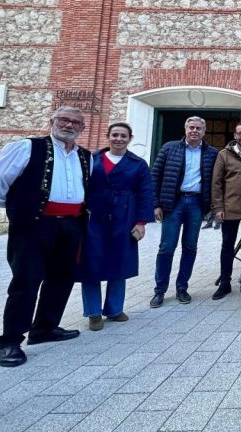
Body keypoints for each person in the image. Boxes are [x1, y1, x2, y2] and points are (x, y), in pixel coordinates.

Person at [0, 106, 91, 367]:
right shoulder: (26, 147)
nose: (69, 125)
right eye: (64, 120)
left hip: (71, 225)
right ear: (52, 121)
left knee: (61, 278)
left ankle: (44, 328)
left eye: (75, 122)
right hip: (35, 225)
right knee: (26, 281)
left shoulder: (85, 156)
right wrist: (21, 212)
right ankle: (11, 341)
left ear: (82, 128)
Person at [79, 122, 154, 331]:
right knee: (91, 264)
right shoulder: (91, 160)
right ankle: (93, 313)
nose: (119, 139)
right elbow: (80, 186)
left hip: (125, 218)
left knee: (119, 263)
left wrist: (141, 222)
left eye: (123, 136)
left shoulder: (138, 164)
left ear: (129, 138)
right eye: (115, 135)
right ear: (108, 136)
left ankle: (114, 309)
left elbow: (146, 194)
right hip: (94, 218)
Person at [149, 116, 218, 308]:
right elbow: (155, 177)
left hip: (196, 203)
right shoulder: (169, 148)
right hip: (174, 203)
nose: (194, 130)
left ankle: (182, 288)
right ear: (185, 129)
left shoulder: (212, 153)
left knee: (190, 247)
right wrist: (155, 204)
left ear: (204, 131)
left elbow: (216, 180)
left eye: (198, 128)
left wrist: (212, 206)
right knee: (166, 247)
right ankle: (160, 290)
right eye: (191, 127)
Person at [211, 122, 241, 300]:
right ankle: (225, 283)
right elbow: (216, 183)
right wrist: (217, 207)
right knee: (227, 246)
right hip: (229, 208)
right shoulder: (224, 155)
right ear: (235, 135)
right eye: (240, 133)